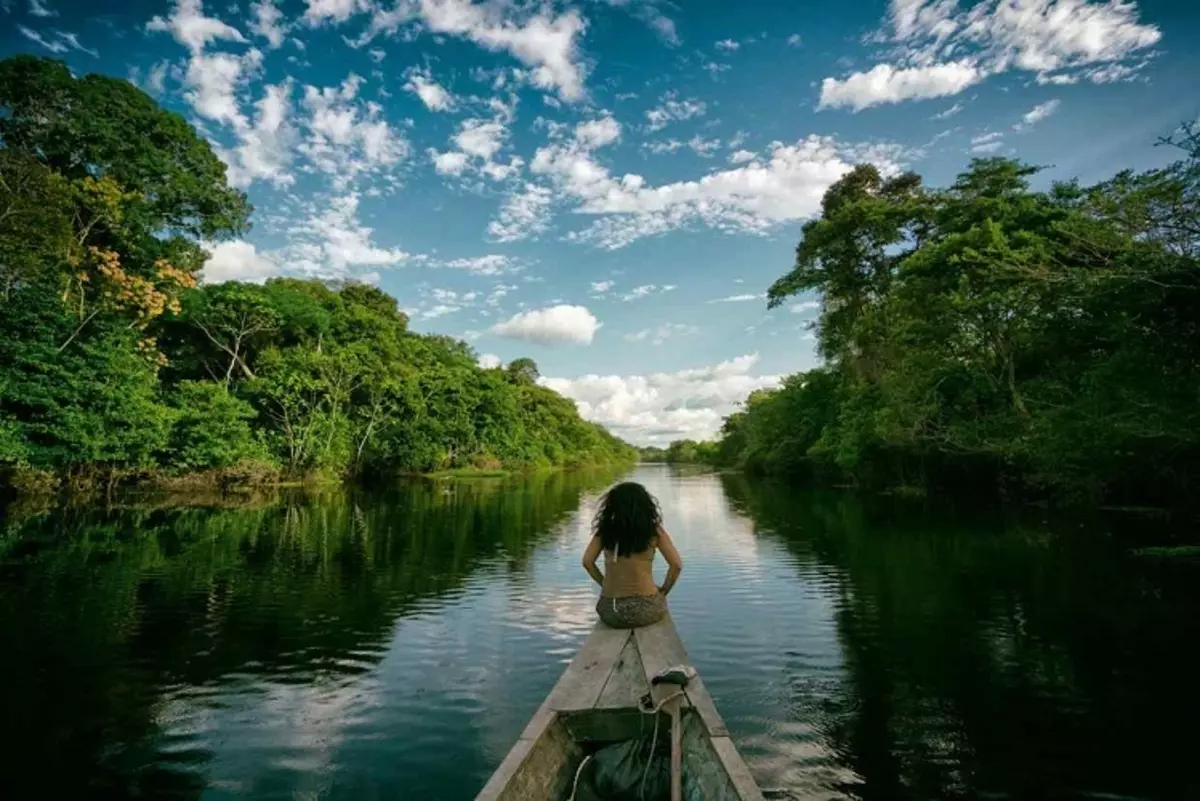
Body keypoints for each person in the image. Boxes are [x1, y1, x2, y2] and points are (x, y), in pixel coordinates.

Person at [581, 481, 683, 629]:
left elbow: (587, 562)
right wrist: (663, 591)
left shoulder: (605, 531)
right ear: (645, 504)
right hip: (647, 610)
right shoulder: (654, 531)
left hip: (611, 611)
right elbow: (676, 565)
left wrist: (604, 584)